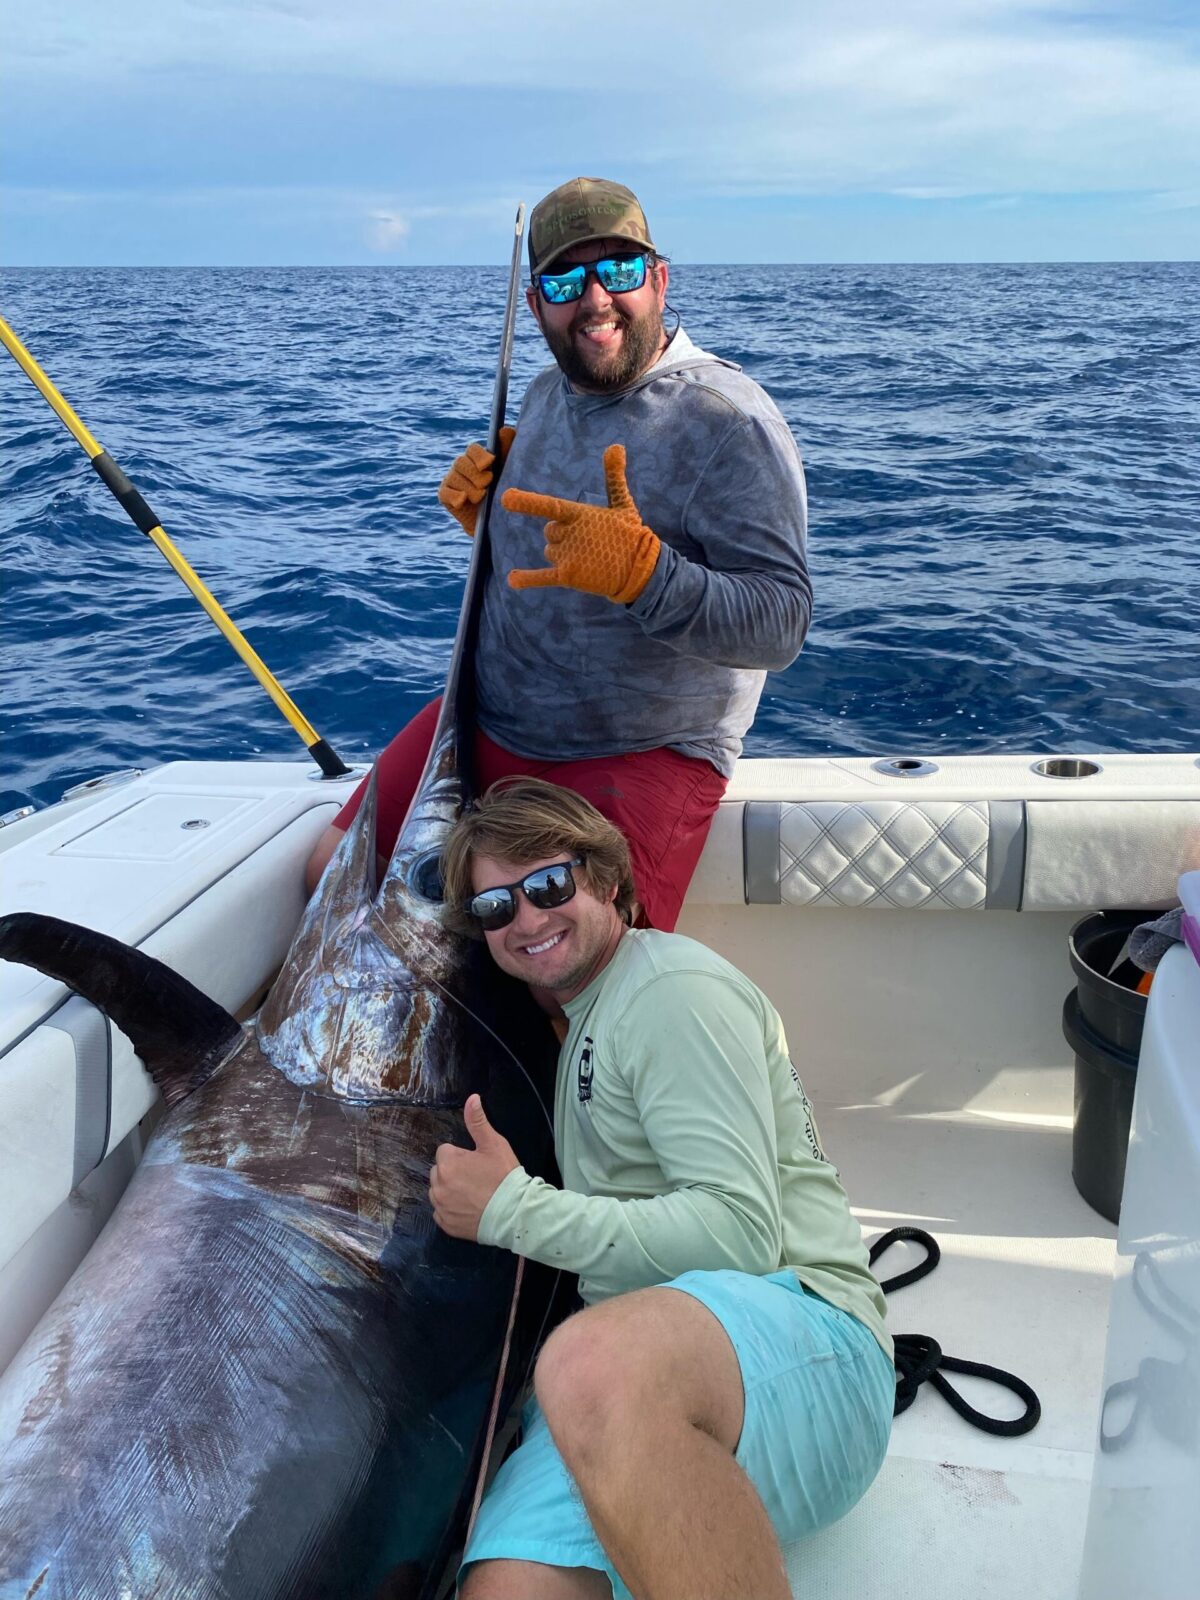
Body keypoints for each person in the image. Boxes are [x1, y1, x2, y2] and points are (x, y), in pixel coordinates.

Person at [305, 177, 812, 931]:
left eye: (620, 270)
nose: (596, 299)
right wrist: (486, 527)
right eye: (566, 281)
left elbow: (781, 625)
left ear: (659, 280)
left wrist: (646, 576)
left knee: (557, 948)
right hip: (485, 717)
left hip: (637, 748)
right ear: (536, 303)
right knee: (329, 873)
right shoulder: (547, 392)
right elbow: (558, 567)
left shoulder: (727, 420)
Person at [430, 778, 894, 1600]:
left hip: (814, 1355)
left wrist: (511, 1211)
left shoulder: (670, 991)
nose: (527, 920)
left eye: (549, 885)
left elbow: (739, 1234)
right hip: (640, 1390)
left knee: (585, 1358)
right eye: (497, 907)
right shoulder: (587, 1015)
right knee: (505, 1590)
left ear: (608, 879)